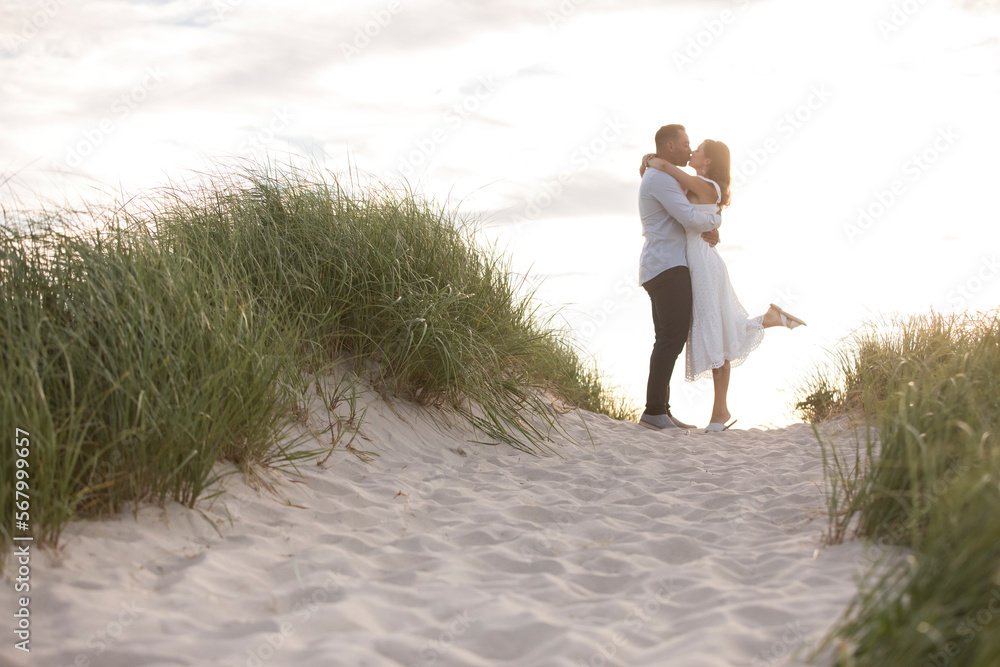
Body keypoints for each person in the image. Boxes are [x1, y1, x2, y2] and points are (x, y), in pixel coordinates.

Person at [640, 137, 806, 432]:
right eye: (688, 144)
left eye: (698, 149)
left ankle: (718, 413)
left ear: (708, 162)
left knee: (715, 327)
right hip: (696, 261)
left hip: (702, 262)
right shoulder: (695, 185)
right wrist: (651, 163)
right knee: (717, 326)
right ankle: (767, 321)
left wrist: (655, 161)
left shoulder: (706, 186)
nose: (692, 150)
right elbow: (677, 198)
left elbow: (674, 176)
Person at [636, 124, 723, 432]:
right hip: (667, 266)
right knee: (670, 339)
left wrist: (708, 228)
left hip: (664, 264)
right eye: (685, 144)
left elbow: (687, 211)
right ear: (670, 147)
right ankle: (655, 411)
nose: (689, 149)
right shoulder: (660, 178)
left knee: (668, 339)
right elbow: (687, 215)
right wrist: (714, 221)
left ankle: (661, 409)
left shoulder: (661, 174)